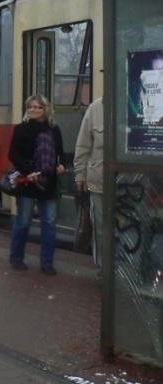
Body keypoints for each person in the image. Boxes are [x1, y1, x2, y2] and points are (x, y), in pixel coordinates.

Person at [8, 94, 66, 276]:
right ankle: (16, 258)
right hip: (27, 183)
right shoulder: (21, 129)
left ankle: (47, 263)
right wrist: (27, 172)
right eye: (30, 107)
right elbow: (13, 155)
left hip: (48, 182)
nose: (33, 110)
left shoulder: (54, 129)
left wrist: (62, 165)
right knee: (23, 221)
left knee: (49, 223)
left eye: (37, 107)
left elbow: (61, 153)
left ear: (45, 110)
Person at [74, 97, 104, 271]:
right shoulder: (95, 109)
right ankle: (104, 269)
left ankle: (130, 270)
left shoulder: (138, 105)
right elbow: (83, 146)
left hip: (132, 186)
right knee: (100, 229)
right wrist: (80, 174)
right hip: (99, 182)